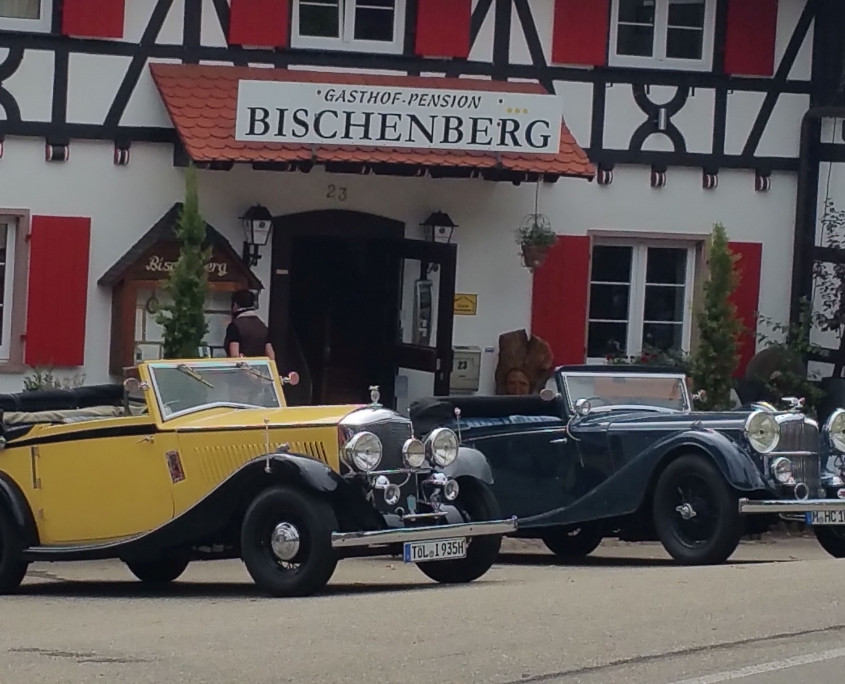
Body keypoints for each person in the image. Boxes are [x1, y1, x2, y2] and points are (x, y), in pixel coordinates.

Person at [224, 290, 276, 361]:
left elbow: (234, 355)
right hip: (259, 370)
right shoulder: (262, 327)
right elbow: (271, 356)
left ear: (235, 304)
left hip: (241, 370)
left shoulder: (235, 326)